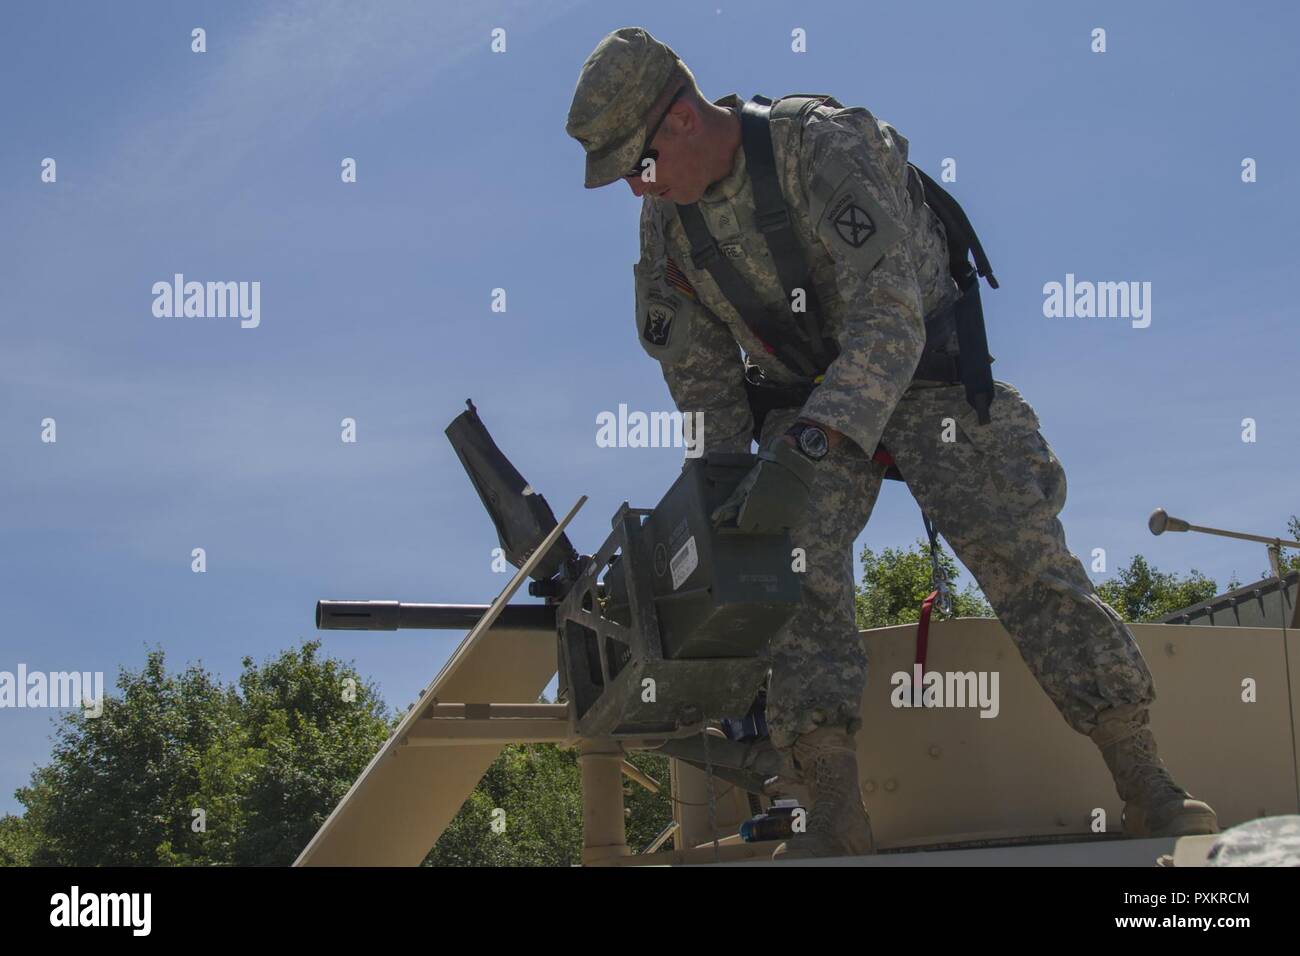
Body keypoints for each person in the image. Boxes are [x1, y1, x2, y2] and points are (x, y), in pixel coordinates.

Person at [565, 26, 1218, 859]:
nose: (635, 190)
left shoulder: (821, 146)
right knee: (779, 552)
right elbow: (704, 388)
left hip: (925, 374)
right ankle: (833, 806)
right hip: (803, 400)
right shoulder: (666, 230)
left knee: (1021, 544)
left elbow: (891, 315)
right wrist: (731, 503)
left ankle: (1144, 780)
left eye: (638, 164)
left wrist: (808, 444)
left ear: (683, 119)